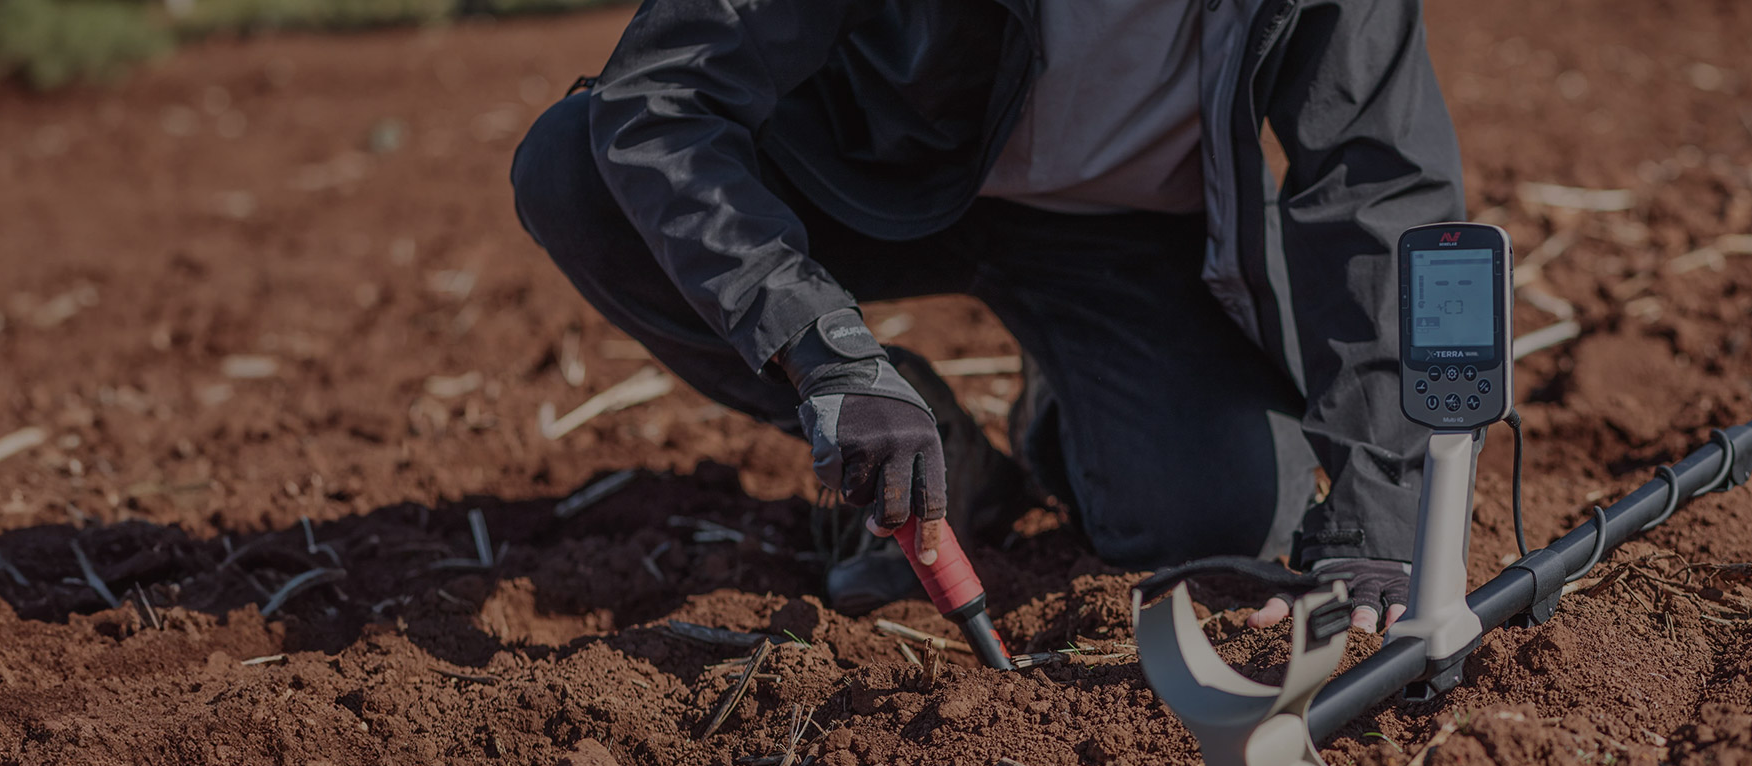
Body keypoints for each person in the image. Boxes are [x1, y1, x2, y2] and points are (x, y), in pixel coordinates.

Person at [511, 0, 1464, 632]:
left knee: (1218, 518)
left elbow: (1381, 188)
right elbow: (664, 96)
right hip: (863, 171)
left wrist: (1381, 517)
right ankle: (926, 433)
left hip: (1123, 234)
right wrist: (822, 349)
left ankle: (1060, 408)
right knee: (577, 174)